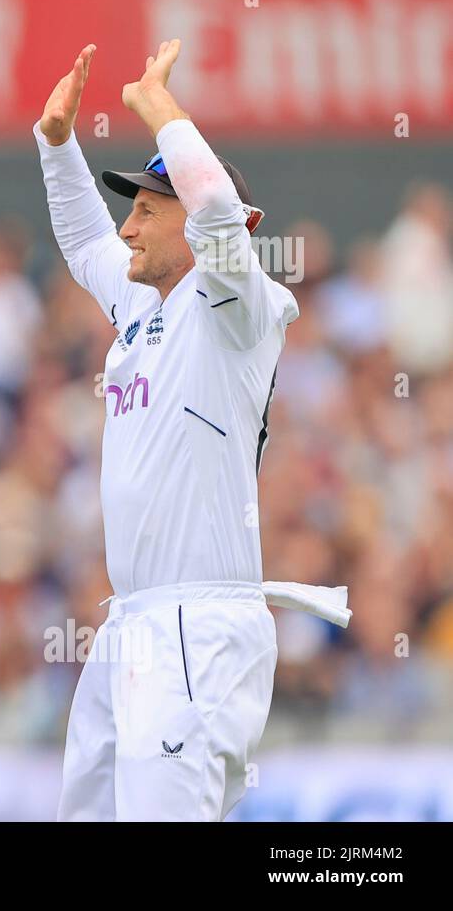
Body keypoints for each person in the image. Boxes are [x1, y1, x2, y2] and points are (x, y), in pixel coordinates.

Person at [34, 40, 348, 821]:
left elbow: (216, 210)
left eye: (146, 209)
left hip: (198, 628)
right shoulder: (141, 304)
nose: (128, 227)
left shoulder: (240, 304)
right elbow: (81, 242)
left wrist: (157, 104)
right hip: (133, 621)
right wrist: (56, 144)